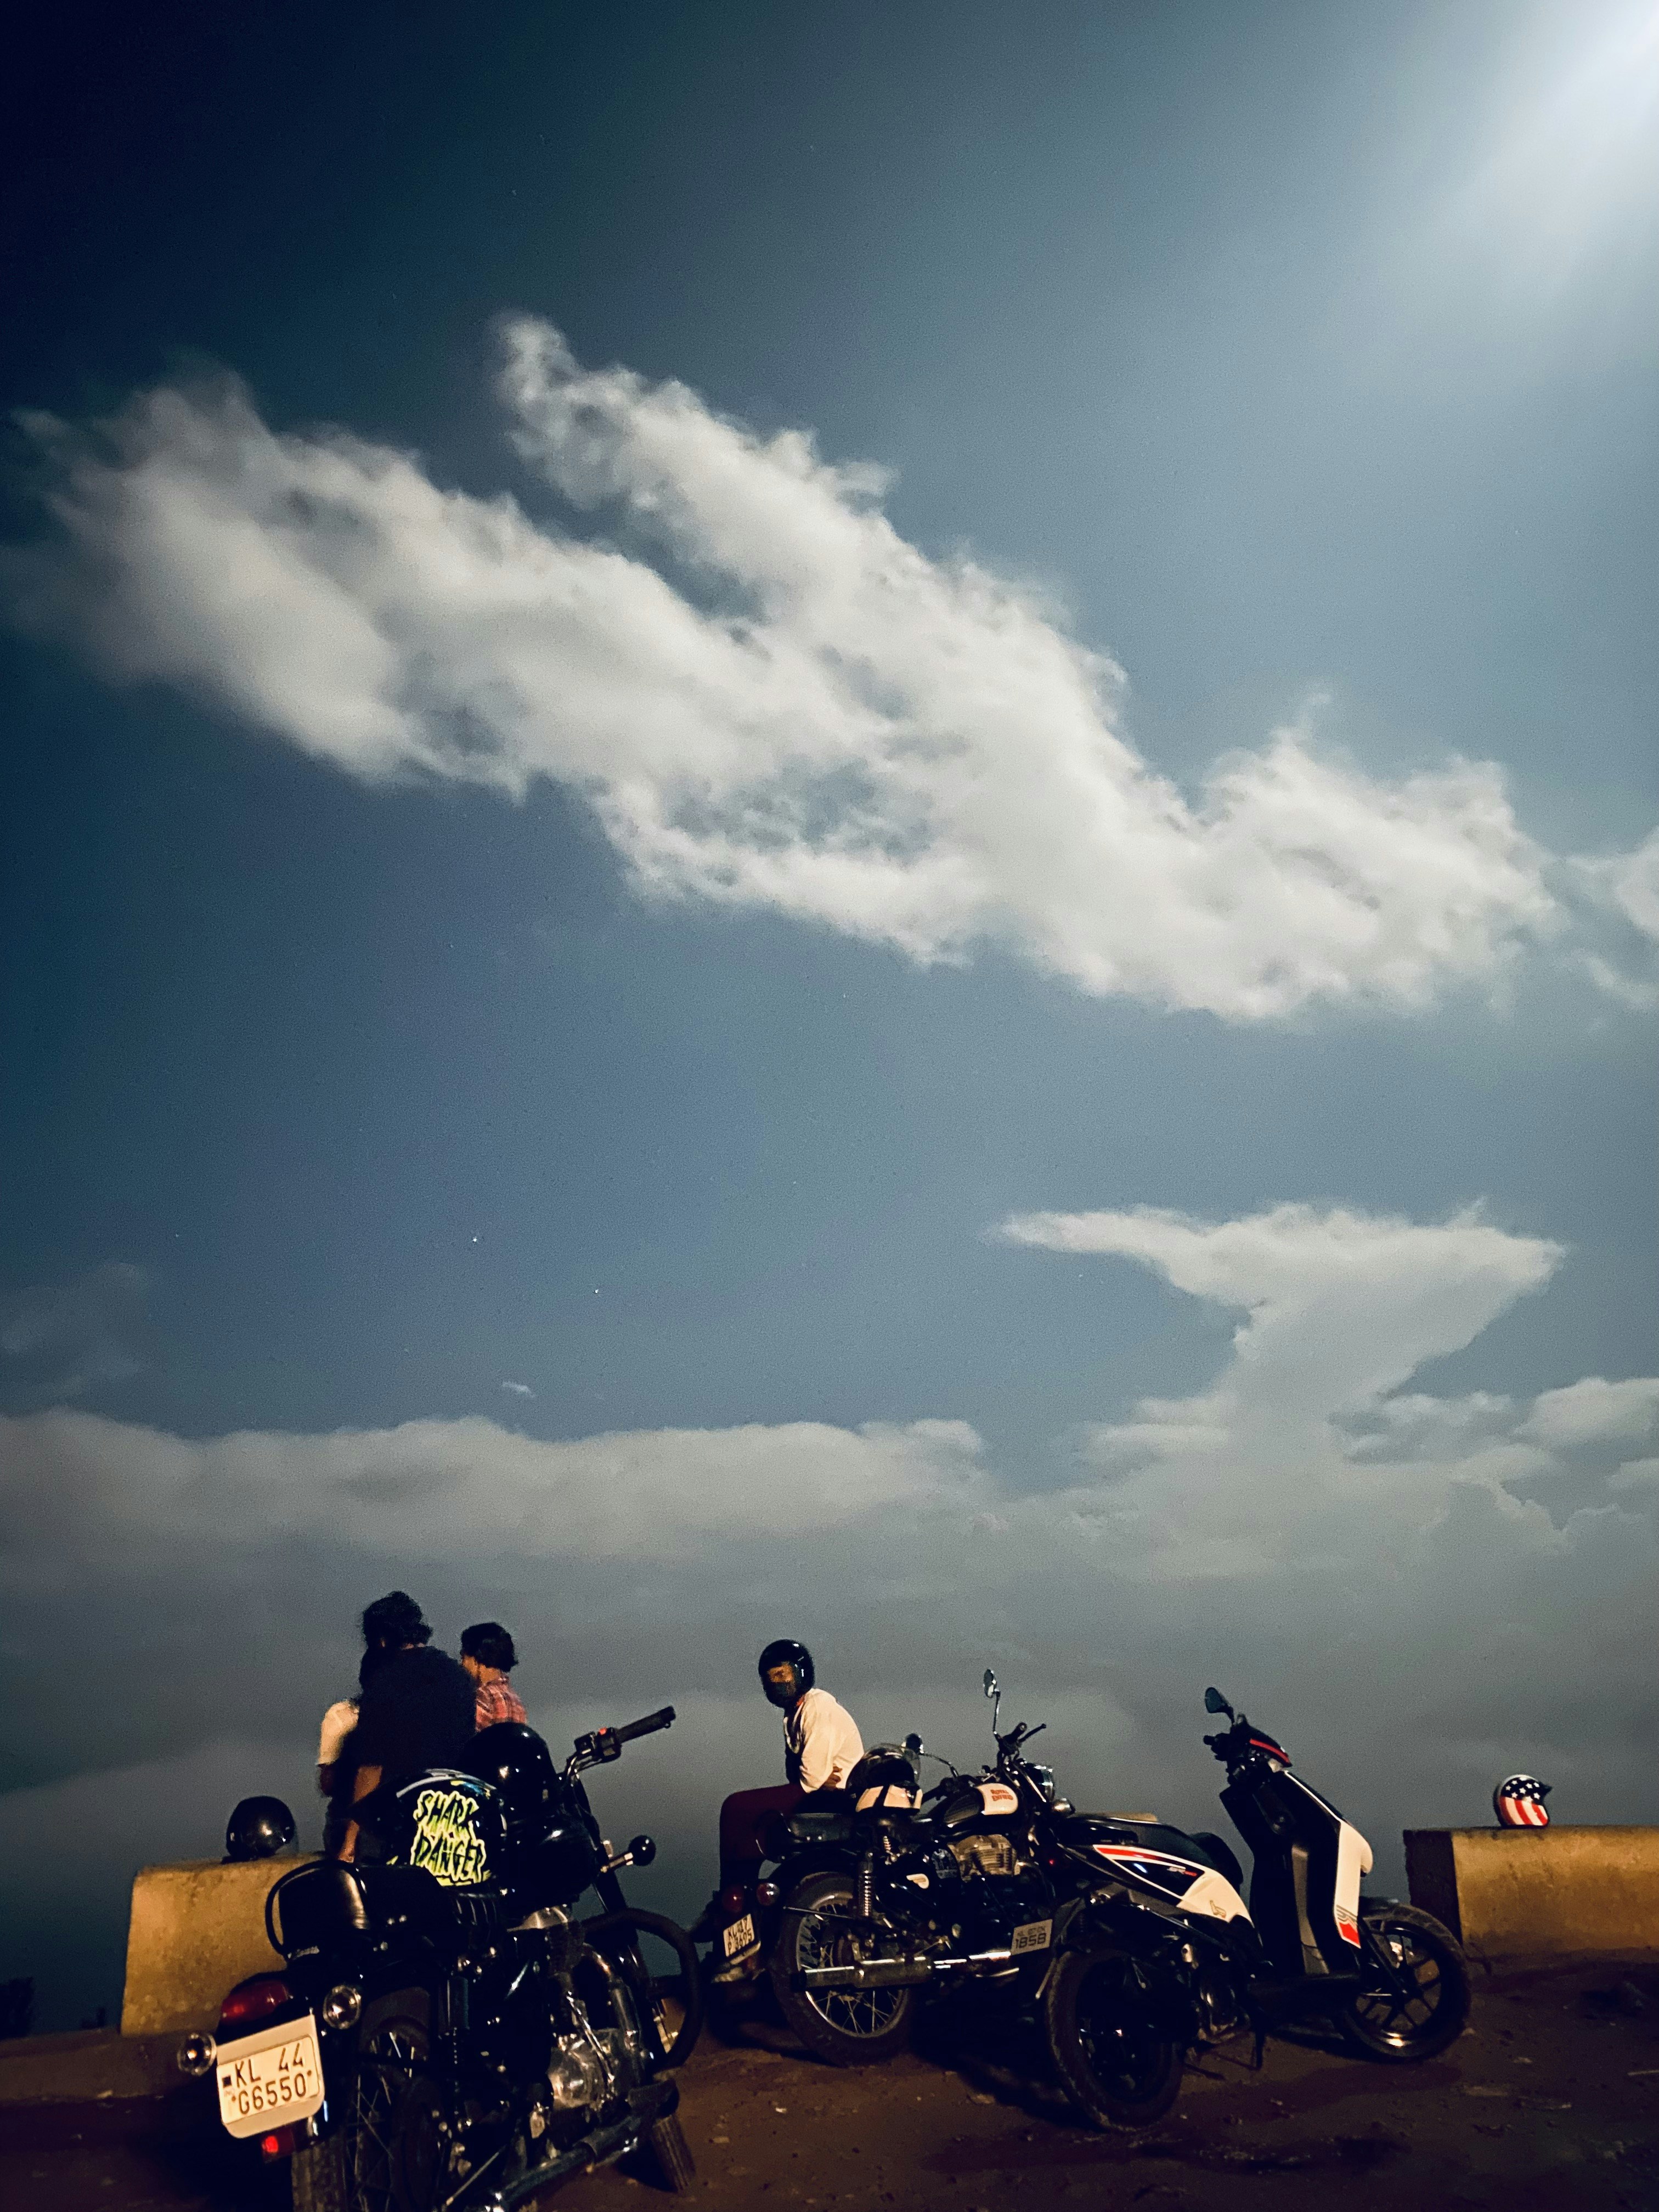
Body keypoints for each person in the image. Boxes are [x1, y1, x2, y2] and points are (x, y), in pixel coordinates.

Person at [703, 1640, 864, 1958]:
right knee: (749, 1819)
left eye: (783, 1674)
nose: (778, 1684)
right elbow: (810, 1776)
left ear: (801, 1673)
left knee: (735, 1808)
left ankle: (732, 1902)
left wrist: (821, 1779)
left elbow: (811, 1779)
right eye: (771, 1678)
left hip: (836, 1799)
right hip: (819, 1794)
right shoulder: (796, 1713)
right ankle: (739, 1905)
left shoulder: (817, 1707)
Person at [336, 1592, 476, 1863]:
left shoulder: (384, 1683)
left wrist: (351, 1839)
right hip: (453, 1817)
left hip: (398, 1822)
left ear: (381, 1639)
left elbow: (371, 1768)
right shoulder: (458, 1676)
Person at [460, 1621, 527, 1729]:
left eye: (464, 1657)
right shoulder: (515, 1702)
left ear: (477, 1658)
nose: (462, 1664)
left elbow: (467, 1739)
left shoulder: (482, 1698)